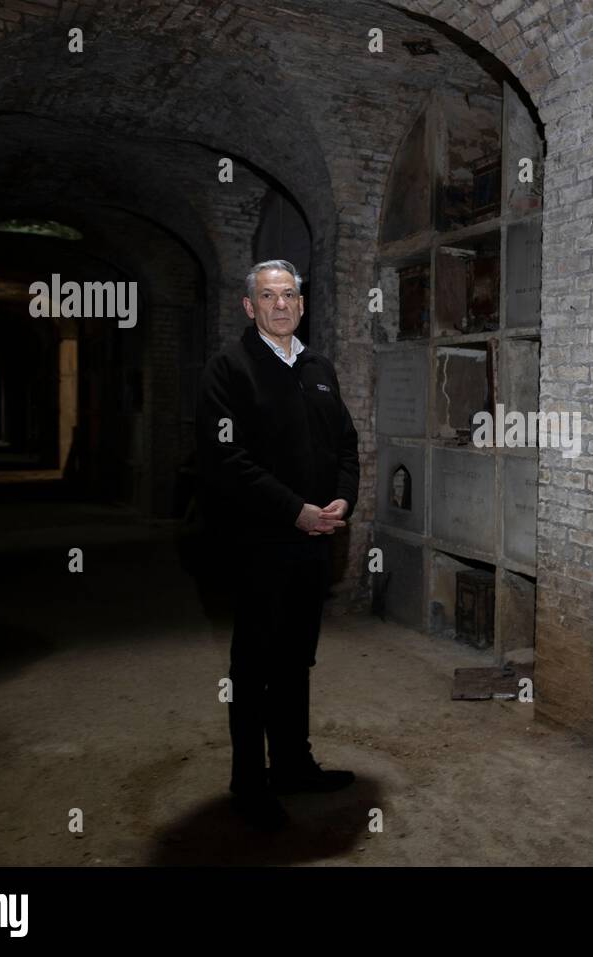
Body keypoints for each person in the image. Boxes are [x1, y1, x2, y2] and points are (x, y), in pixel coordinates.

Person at [195, 259, 359, 831]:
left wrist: (343, 500)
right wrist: (294, 510)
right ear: (250, 307)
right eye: (268, 296)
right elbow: (224, 459)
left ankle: (293, 764)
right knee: (254, 665)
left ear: (302, 303)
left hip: (314, 544)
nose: (281, 305)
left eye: (289, 294)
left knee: (296, 659)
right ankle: (249, 783)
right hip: (260, 542)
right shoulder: (229, 368)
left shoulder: (319, 368)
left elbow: (345, 443)